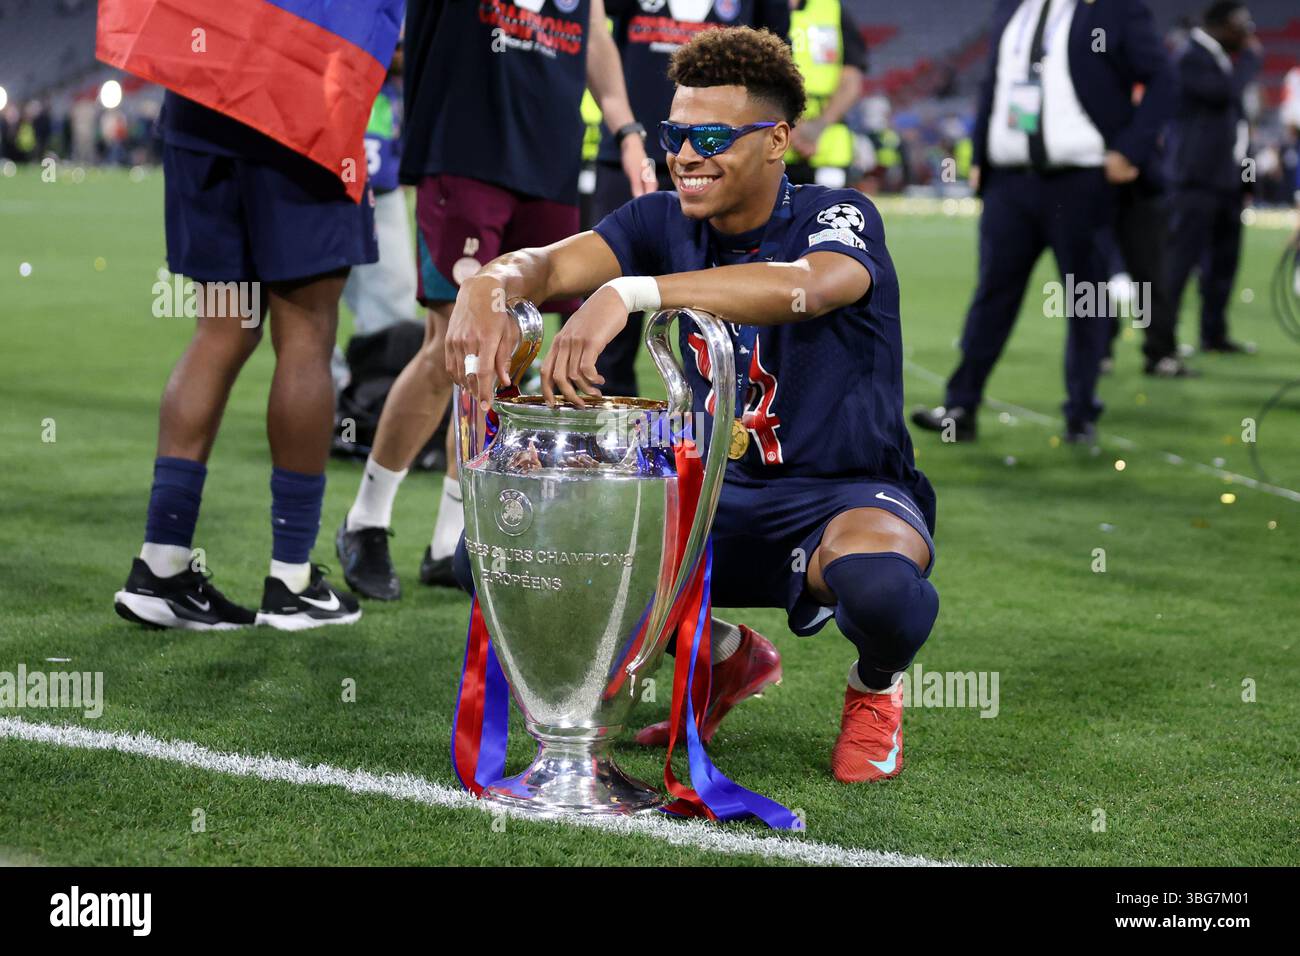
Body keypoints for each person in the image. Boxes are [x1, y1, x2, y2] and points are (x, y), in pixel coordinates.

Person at [445, 27, 939, 783]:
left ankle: (874, 688)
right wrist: (489, 286)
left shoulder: (838, 213)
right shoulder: (658, 221)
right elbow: (544, 266)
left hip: (840, 493)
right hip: (707, 497)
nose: (684, 154)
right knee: (514, 554)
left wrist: (633, 292)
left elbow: (807, 287)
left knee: (885, 595)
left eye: (711, 135)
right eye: (676, 133)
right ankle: (724, 659)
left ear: (776, 140)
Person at [335, 0, 654, 600]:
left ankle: (453, 538)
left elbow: (593, 31)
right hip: (463, 156)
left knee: (509, 355)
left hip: (551, 163)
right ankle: (366, 520)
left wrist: (626, 125)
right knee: (452, 348)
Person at [112, 93, 370, 630]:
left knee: (221, 329)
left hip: (201, 98)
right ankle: (291, 581)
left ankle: (161, 566)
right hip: (300, 106)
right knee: (306, 331)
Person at [911, 0, 1175, 445]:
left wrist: (1132, 149)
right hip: (1010, 180)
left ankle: (1081, 412)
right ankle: (961, 406)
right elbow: (995, 83)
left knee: (1085, 298)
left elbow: (1164, 78)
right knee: (992, 293)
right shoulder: (1013, 8)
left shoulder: (1113, 9)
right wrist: (980, 154)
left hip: (1080, 178)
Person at [578, 0, 791, 400]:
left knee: (744, 298)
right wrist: (495, 278)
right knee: (606, 328)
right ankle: (606, 425)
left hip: (727, 156)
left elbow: (775, 63)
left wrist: (632, 292)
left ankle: (741, 415)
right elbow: (596, 31)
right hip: (634, 153)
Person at [1163, 1, 1262, 356]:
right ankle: (1163, 342)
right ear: (1219, 25)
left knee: (1223, 262)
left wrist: (1247, 178)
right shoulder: (1190, 56)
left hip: (1227, 181)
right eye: (1242, 23)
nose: (1248, 31)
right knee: (1180, 262)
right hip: (1196, 180)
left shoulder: (1220, 60)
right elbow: (1223, 94)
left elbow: (1238, 128)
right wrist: (1250, 60)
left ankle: (1213, 334)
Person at [333, 42, 420, 393]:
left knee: (393, 308)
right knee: (306, 312)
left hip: (379, 185)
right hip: (324, 177)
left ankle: (374, 400)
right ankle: (341, 400)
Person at [784, 0, 868, 189]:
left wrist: (817, 126)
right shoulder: (758, 9)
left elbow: (851, 81)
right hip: (775, 144)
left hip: (828, 147)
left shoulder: (833, 9)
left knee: (829, 215)